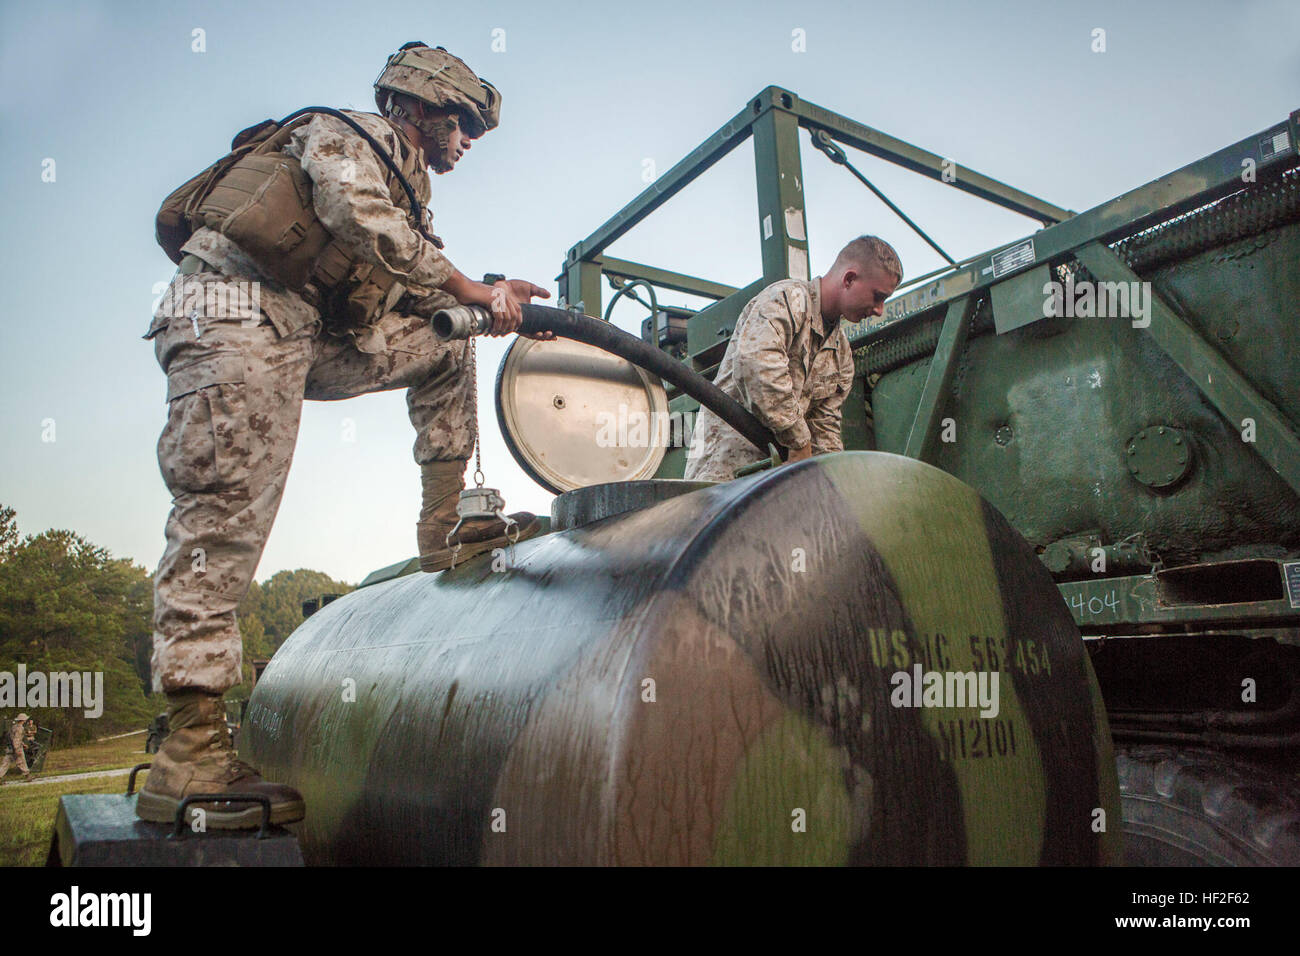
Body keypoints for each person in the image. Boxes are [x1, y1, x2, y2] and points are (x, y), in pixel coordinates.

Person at [139, 42, 550, 828]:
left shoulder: (410, 192)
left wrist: (480, 301)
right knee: (224, 516)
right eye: (463, 126)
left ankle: (445, 530)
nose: (466, 143)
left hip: (298, 334)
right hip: (231, 317)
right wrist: (469, 284)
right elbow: (356, 216)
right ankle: (188, 754)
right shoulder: (348, 134)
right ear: (423, 106)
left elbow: (407, 290)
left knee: (447, 338)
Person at [683, 236, 902, 481]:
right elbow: (756, 367)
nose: (879, 310)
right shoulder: (786, 301)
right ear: (849, 279)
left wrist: (830, 481)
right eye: (878, 296)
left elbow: (825, 431)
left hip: (769, 483)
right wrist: (798, 439)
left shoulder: (841, 355)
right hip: (724, 474)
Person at [0, 715, 34, 783]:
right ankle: (28, 776)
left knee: (5, 764)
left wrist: (22, 744)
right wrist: (17, 749)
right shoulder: (20, 728)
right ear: (23, 720)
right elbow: (16, 739)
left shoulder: (14, 726)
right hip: (16, 748)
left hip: (10, 748)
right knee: (22, 762)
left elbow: (12, 737)